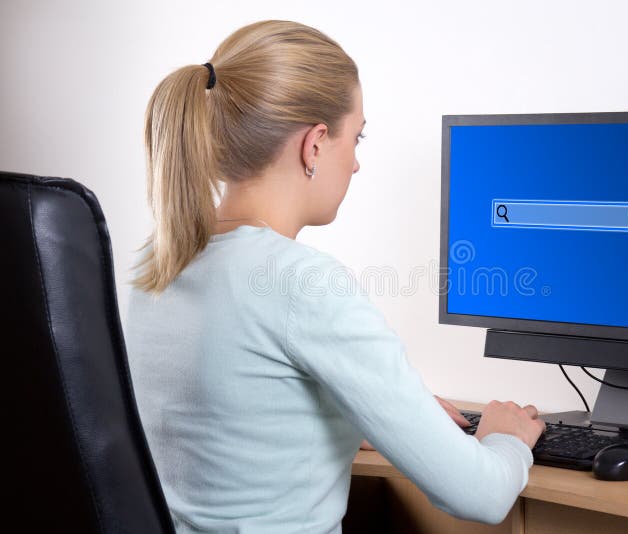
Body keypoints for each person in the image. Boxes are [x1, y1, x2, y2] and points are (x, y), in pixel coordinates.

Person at [125, 19, 546, 534]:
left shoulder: (157, 262)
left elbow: (232, 421)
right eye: (357, 136)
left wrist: (355, 415)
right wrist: (505, 436)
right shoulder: (299, 282)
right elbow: (480, 495)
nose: (356, 164)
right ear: (315, 144)